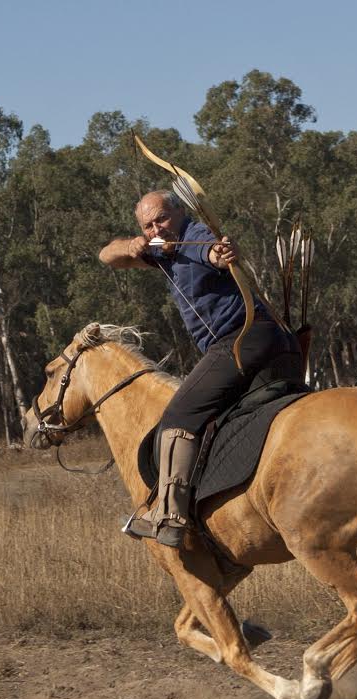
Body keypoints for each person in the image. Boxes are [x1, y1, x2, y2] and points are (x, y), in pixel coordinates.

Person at [98, 191, 302, 548]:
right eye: (147, 225)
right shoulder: (163, 251)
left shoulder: (195, 237)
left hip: (241, 339)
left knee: (180, 412)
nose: (156, 228)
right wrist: (132, 245)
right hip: (269, 340)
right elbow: (106, 255)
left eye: (161, 218)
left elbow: (209, 251)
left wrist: (219, 254)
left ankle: (169, 516)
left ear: (178, 212)